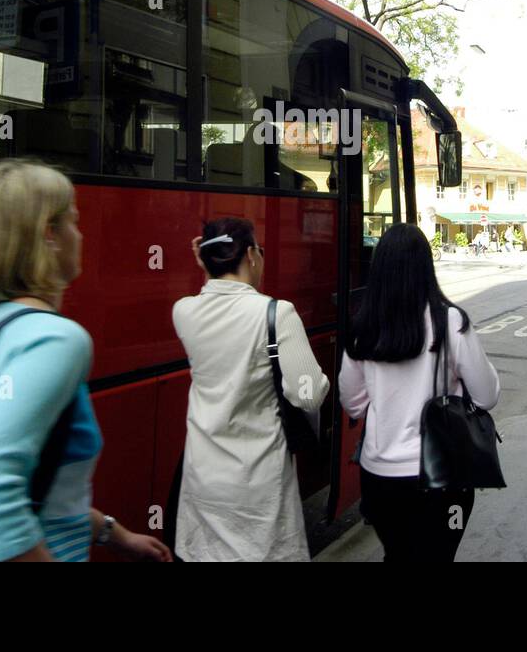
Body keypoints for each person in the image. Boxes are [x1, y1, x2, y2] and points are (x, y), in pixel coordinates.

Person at [0, 159, 171, 562]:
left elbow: (35, 488)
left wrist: (113, 533)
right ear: (50, 234)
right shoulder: (54, 338)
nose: (81, 235)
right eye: (74, 222)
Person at [339, 222, 500, 561]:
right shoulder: (450, 322)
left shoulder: (362, 327)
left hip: (380, 479)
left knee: (397, 555)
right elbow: (486, 397)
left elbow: (353, 404)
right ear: (427, 267)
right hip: (442, 479)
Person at [172, 217, 330, 561]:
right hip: (257, 483)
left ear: (207, 260)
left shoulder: (183, 312)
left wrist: (209, 269)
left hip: (203, 479)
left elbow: (212, 298)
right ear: (251, 256)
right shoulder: (276, 314)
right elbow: (308, 393)